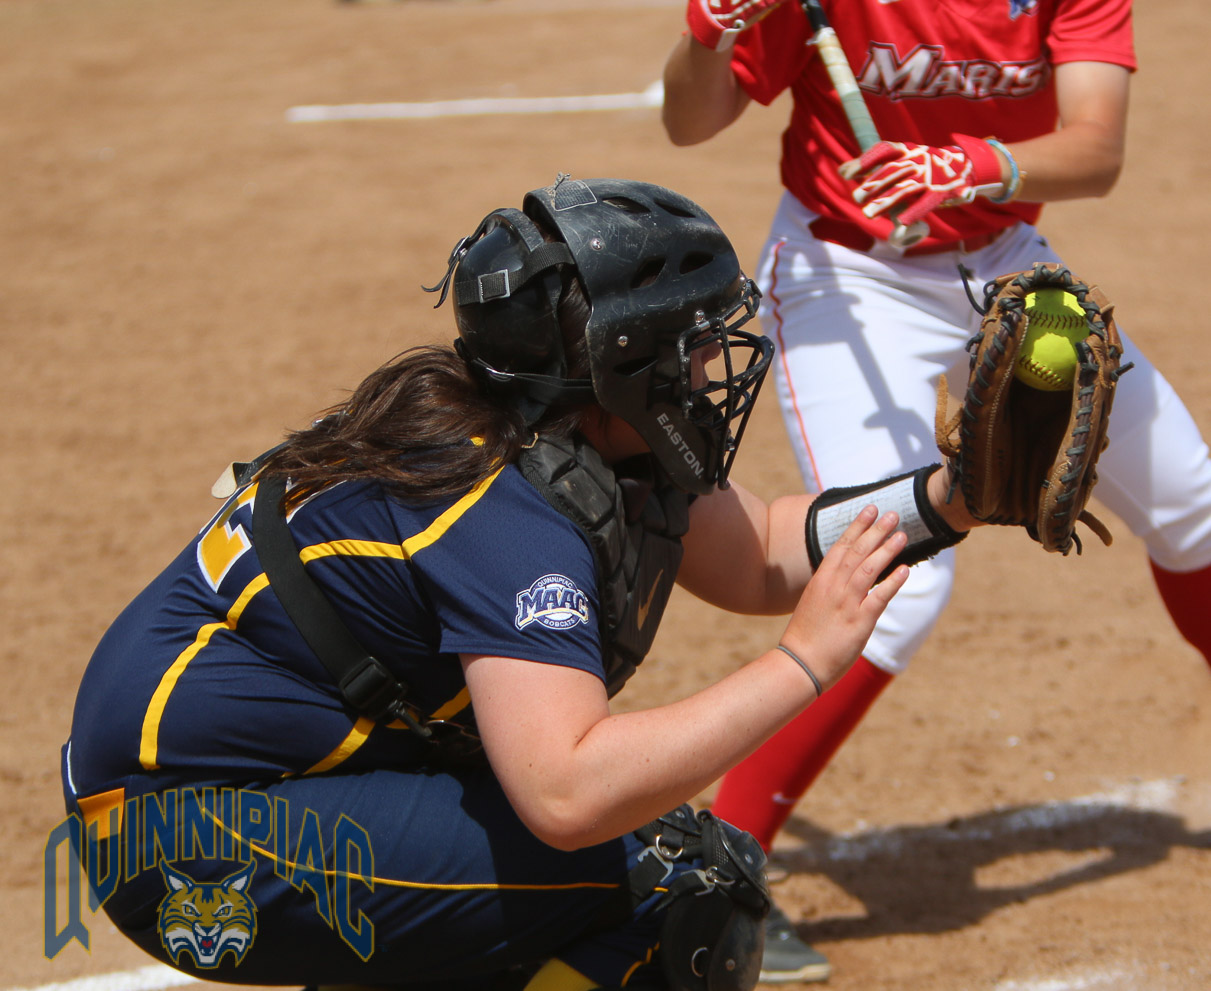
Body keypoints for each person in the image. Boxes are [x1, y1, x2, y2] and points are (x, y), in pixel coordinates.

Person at [60, 175, 991, 991]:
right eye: (696, 344)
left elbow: (764, 553)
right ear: (624, 365)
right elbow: (567, 793)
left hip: (252, 795)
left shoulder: (558, 434)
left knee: (591, 875)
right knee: (678, 883)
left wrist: (954, 498)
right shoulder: (501, 510)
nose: (714, 368)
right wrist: (800, 662)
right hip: (182, 846)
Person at [661, 0, 1211, 982]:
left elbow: (1095, 150)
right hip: (845, 273)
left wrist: (976, 166)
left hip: (1006, 262)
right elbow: (688, 119)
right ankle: (716, 867)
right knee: (895, 575)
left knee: (1190, 500)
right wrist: (709, 32)